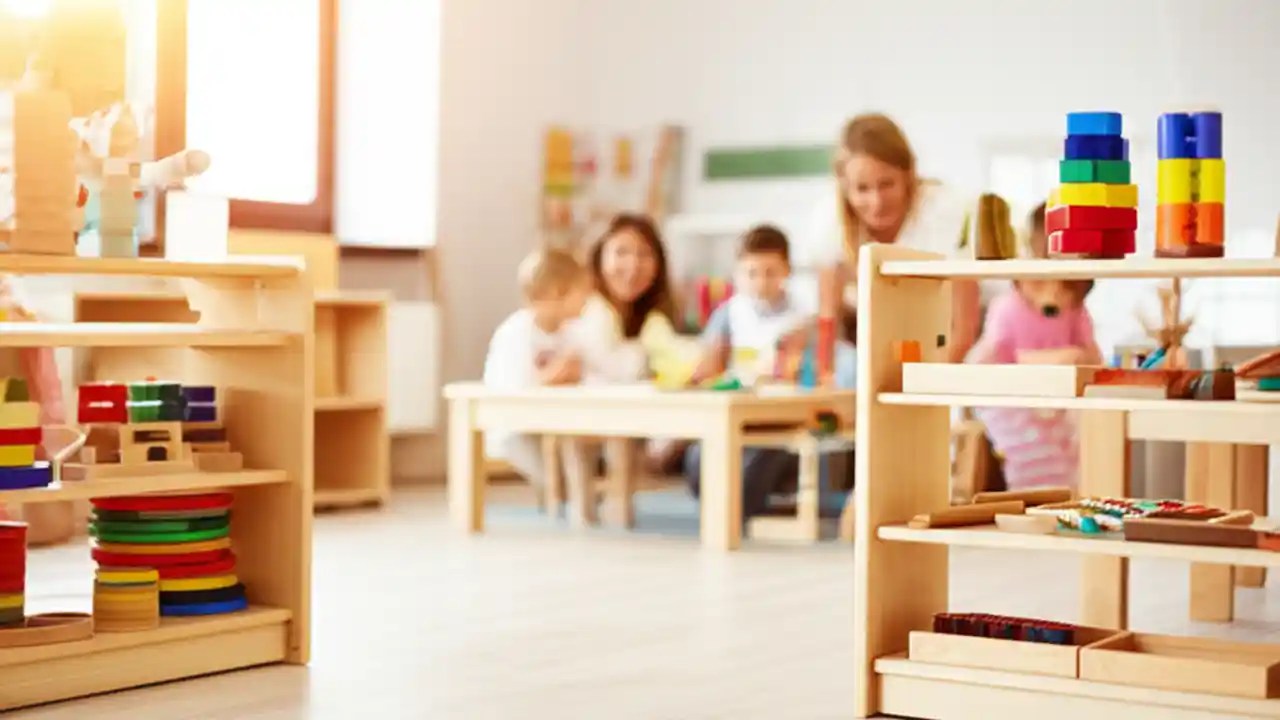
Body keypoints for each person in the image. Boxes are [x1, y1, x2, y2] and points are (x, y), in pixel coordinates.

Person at [683, 225, 844, 520]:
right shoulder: (729, 312)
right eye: (751, 273)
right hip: (737, 410)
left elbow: (821, 362)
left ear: (787, 271)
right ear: (737, 274)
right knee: (698, 458)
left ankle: (736, 509)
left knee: (762, 459)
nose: (761, 282)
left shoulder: (804, 315)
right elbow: (709, 362)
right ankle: (723, 506)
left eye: (771, 272)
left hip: (783, 415)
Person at [802, 113, 981, 361]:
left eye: (887, 184)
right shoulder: (829, 220)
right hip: (882, 329)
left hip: (951, 330)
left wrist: (927, 385)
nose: (876, 202)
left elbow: (962, 331)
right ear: (844, 187)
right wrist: (826, 378)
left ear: (908, 176)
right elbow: (828, 320)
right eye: (862, 189)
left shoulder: (944, 210)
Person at [482, 247, 593, 491]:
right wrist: (552, 377)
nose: (587, 298)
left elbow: (589, 375)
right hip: (514, 427)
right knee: (553, 476)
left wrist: (577, 373)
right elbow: (513, 389)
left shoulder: (573, 332)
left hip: (558, 423)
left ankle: (578, 495)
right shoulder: (516, 332)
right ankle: (560, 491)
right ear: (556, 293)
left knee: (579, 446)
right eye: (582, 291)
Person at [575, 213, 679, 381]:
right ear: (599, 258)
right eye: (621, 252)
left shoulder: (653, 320)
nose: (633, 265)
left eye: (644, 254)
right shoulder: (590, 313)